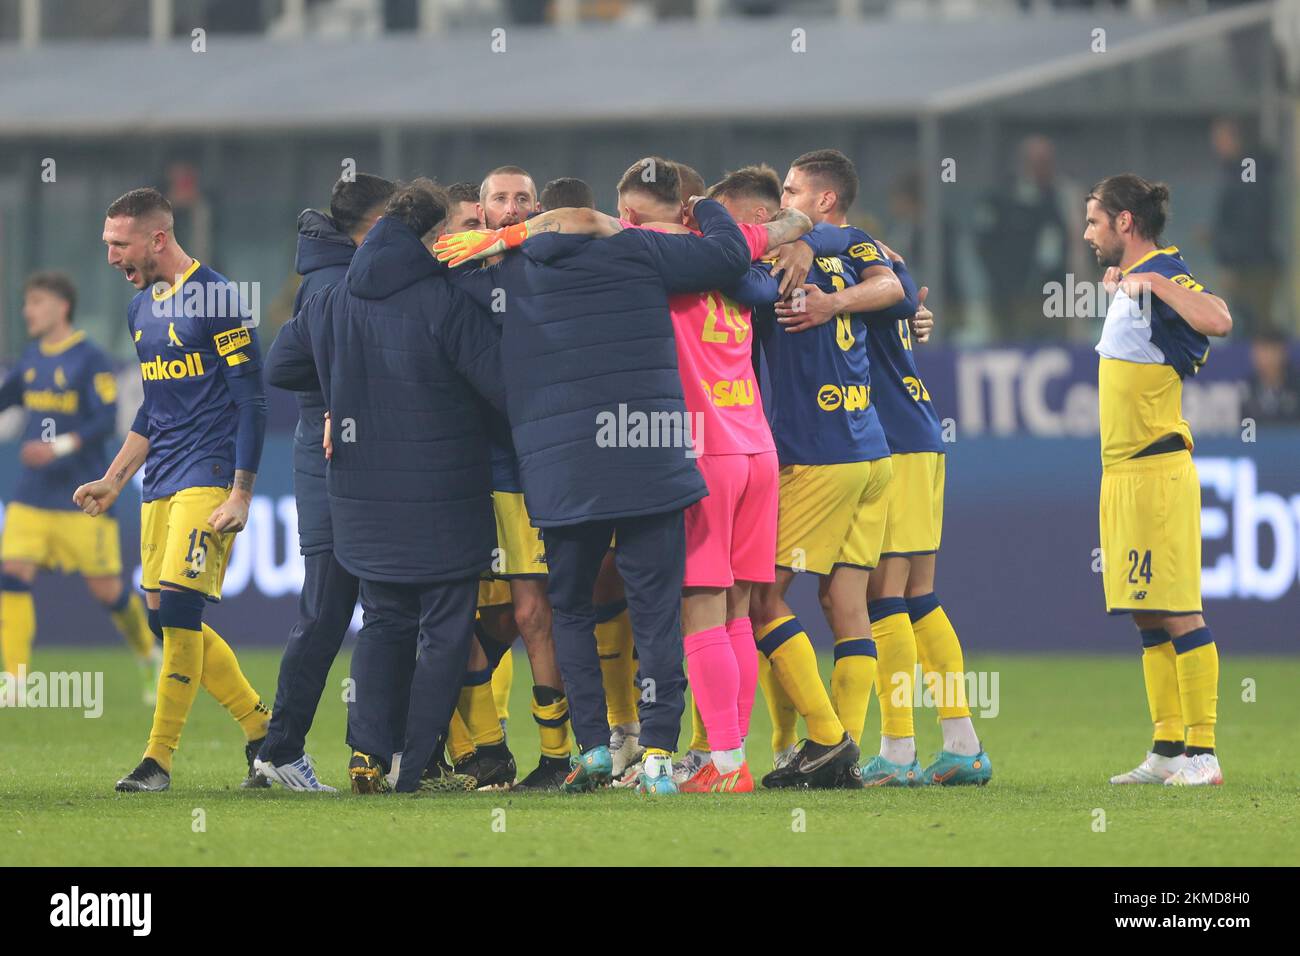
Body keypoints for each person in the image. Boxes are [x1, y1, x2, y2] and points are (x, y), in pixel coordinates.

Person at [434, 166, 752, 794]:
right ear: (607, 215)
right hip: (650, 464)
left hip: (565, 471)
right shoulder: (641, 250)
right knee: (656, 613)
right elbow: (729, 255)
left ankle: (596, 748)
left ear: (535, 218)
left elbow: (419, 293)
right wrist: (705, 206)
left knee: (571, 611)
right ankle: (659, 750)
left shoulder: (502, 273)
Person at [266, 180, 507, 795]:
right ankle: (412, 763)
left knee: (384, 621)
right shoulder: (445, 300)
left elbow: (282, 366)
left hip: (360, 493)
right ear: (430, 237)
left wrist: (337, 398)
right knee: (445, 627)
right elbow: (502, 389)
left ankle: (367, 755)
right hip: (444, 494)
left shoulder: (330, 296)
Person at [76, 187, 271, 793]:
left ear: (157, 238)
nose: (110, 256)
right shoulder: (141, 309)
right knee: (164, 623)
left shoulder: (217, 298)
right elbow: (153, 412)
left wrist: (240, 492)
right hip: (159, 482)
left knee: (182, 613)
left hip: (210, 476)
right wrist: (113, 480)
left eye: (119, 244)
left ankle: (157, 761)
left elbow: (252, 401)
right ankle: (265, 732)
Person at [727, 150, 905, 789]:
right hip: (871, 454)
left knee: (762, 599)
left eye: (795, 190)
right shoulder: (857, 245)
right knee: (844, 600)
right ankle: (841, 747)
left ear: (825, 199)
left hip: (821, 457)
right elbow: (897, 289)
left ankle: (825, 741)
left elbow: (896, 292)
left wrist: (828, 303)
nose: (784, 200)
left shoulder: (786, 254)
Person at [1085, 174, 1233, 787]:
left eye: (1094, 220)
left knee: (1178, 611)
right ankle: (1167, 749)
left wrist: (1149, 282)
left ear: (1125, 222)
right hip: (1121, 473)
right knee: (1147, 616)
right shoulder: (1129, 286)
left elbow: (1219, 318)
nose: (1087, 233)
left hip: (1157, 468)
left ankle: (1204, 754)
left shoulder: (1162, 271)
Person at [254, 172, 395, 793]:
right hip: (334, 456)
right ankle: (283, 750)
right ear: (374, 222)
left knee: (335, 607)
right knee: (335, 606)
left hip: (336, 451)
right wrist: (340, 400)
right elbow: (284, 365)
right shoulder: (339, 282)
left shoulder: (331, 273)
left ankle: (284, 750)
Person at [0, 272, 158, 702]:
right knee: (12, 574)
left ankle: (148, 654)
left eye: (35, 302)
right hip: (31, 494)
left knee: (107, 591)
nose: (26, 311)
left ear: (60, 307)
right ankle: (14, 681)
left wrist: (57, 447)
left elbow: (106, 419)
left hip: (81, 494)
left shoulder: (90, 358)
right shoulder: (32, 357)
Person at [1242, 328, 1300, 425]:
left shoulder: (1296, 385)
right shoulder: (1248, 388)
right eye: (1258, 351)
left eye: (1269, 350)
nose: (1263, 357)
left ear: (1282, 352)